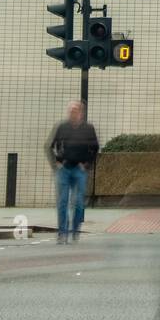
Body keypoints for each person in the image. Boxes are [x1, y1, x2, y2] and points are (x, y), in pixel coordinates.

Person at [44, 100, 99, 243]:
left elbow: (95, 148)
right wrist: (55, 164)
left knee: (79, 202)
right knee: (62, 202)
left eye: (75, 111)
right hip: (64, 169)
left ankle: (75, 231)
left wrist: (87, 165)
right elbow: (48, 146)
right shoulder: (61, 127)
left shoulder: (88, 129)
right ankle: (62, 233)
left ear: (81, 113)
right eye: (71, 111)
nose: (72, 113)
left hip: (79, 171)